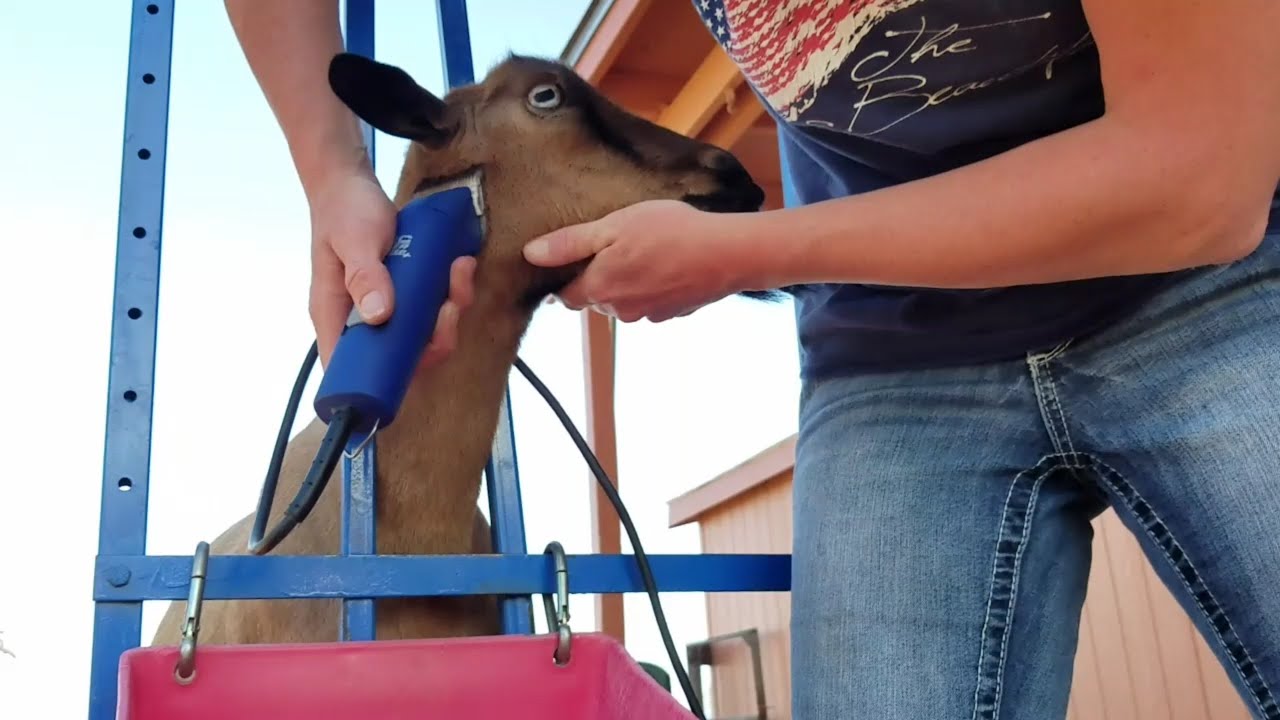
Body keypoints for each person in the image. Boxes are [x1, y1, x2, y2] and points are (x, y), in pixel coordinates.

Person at [227, 1, 1280, 718]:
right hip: (897, 351)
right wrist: (330, 170)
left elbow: (1199, 176)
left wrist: (747, 251)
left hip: (1210, 286)